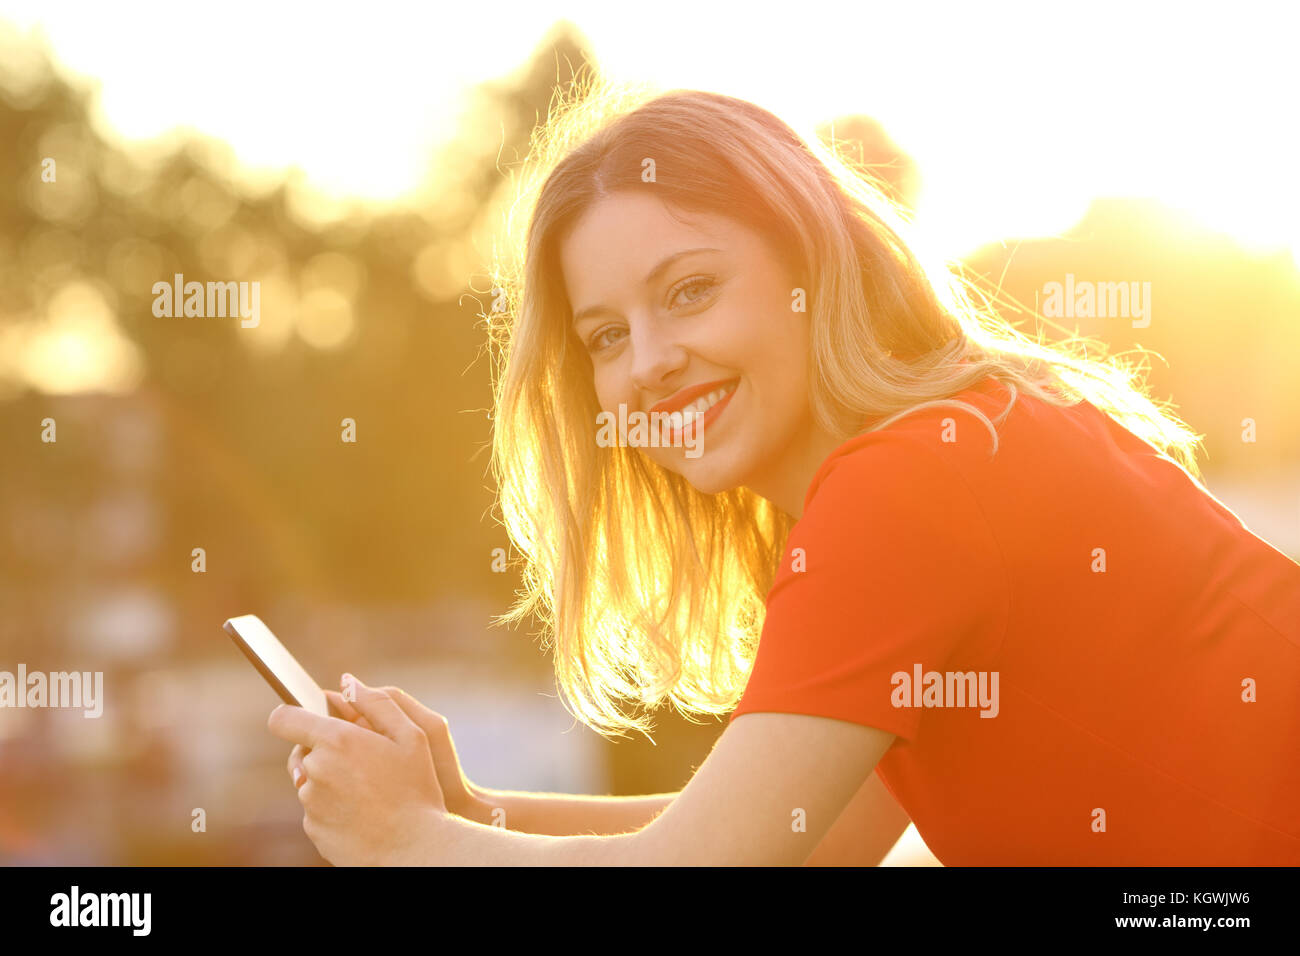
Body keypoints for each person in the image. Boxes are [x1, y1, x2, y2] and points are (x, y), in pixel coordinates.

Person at [269, 79, 1300, 866]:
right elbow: (799, 836)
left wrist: (408, 838)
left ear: (811, 264)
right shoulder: (941, 446)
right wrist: (468, 811)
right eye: (604, 334)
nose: (648, 360)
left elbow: (705, 866)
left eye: (688, 290)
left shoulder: (913, 481)